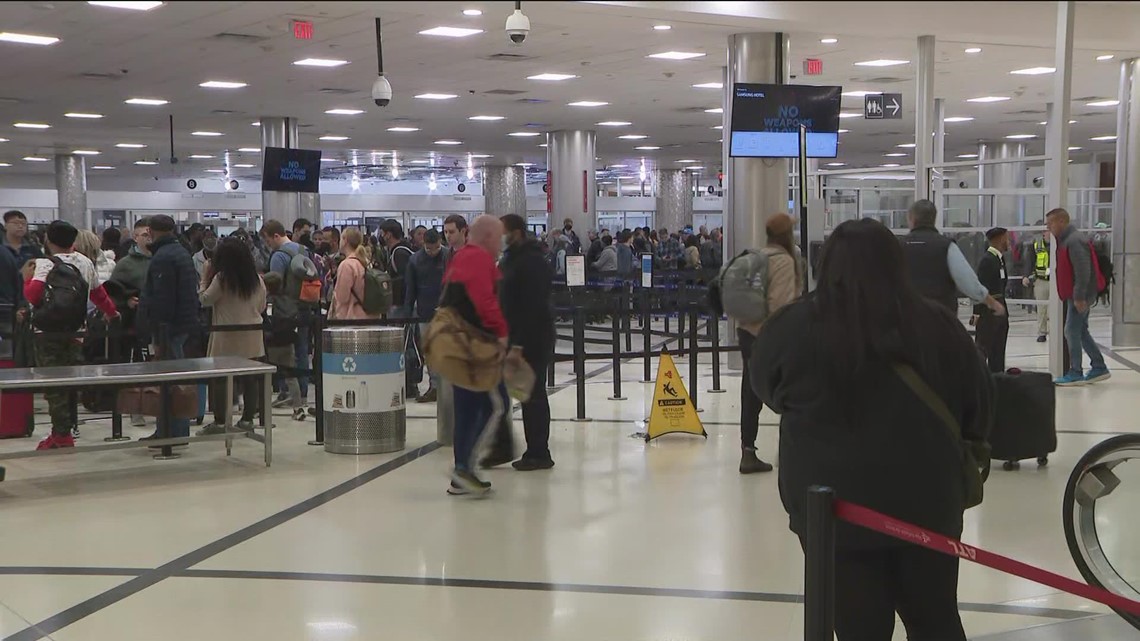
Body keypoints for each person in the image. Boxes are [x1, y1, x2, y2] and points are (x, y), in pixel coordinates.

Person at [753, 218, 992, 641]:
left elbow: (767, 390)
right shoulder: (939, 326)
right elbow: (978, 405)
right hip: (929, 505)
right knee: (935, 620)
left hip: (835, 516)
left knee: (857, 627)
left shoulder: (790, 328)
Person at [24, 221, 119, 449]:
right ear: (73, 241)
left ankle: (61, 434)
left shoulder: (44, 264)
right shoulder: (85, 262)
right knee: (70, 382)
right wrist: (112, 313)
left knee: (53, 385)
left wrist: (27, 279)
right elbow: (98, 294)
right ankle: (65, 429)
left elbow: (33, 295)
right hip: (77, 331)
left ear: (48, 240)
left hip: (47, 334)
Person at [439, 214, 510, 496]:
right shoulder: (478, 258)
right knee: (493, 403)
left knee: (469, 408)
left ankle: (462, 472)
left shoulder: (463, 257)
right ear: (489, 237)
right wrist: (502, 332)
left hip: (460, 345)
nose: (501, 244)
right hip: (473, 346)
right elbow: (485, 300)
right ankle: (464, 467)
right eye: (499, 238)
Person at [734, 214, 803, 474]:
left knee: (750, 392)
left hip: (746, 331)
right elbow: (780, 305)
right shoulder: (784, 261)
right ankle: (791, 450)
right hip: (771, 335)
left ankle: (748, 450)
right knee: (789, 389)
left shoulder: (756, 257)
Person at [498, 214, 556, 470]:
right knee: (525, 394)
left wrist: (519, 344)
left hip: (532, 339)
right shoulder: (513, 258)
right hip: (516, 336)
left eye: (504, 231)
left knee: (533, 395)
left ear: (517, 233)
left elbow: (531, 307)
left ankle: (539, 452)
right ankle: (530, 448)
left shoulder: (531, 261)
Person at [137, 214, 200, 441]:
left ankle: (171, 432)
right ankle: (173, 429)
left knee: (170, 381)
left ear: (151, 231)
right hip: (181, 324)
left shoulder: (163, 257)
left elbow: (162, 298)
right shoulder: (181, 252)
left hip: (168, 329)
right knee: (176, 379)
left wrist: (156, 330)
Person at [198, 237, 268, 434]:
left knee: (221, 377)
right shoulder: (257, 279)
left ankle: (221, 421)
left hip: (226, 333)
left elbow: (205, 299)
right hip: (253, 333)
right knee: (250, 378)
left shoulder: (221, 278)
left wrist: (204, 278)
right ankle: (247, 419)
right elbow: (261, 306)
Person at [902, 200, 1005, 319]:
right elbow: (967, 281)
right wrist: (992, 302)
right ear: (934, 219)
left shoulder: (898, 246)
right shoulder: (946, 246)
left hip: (906, 318)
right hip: (941, 317)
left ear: (911, 218)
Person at [1048, 207, 1111, 386]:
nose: (1049, 227)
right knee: (1080, 330)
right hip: (1077, 293)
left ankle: (1075, 371)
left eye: (1051, 223)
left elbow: (1083, 271)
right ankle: (1099, 366)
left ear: (1061, 221)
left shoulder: (1074, 241)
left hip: (1081, 294)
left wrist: (1079, 297)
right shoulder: (1067, 240)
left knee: (1071, 330)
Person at [262, 219, 312, 403]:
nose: (268, 245)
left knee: (284, 352)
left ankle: (287, 393)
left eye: (268, 240)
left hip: (285, 310)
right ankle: (303, 392)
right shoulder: (302, 250)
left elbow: (274, 284)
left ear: (276, 236)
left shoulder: (278, 256)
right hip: (305, 305)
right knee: (303, 350)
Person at [110, 218, 153, 427]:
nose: (149, 237)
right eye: (144, 234)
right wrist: (126, 301)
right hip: (134, 322)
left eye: (151, 233)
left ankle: (156, 405)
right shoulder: (125, 264)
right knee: (136, 365)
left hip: (157, 320)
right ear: (135, 237)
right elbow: (113, 291)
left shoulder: (160, 259)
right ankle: (136, 409)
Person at [404, 229, 448, 402]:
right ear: (423, 245)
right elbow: (410, 288)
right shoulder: (415, 260)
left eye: (436, 247)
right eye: (429, 248)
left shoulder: (448, 256)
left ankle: (448, 388)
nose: (432, 252)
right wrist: (408, 313)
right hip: (425, 311)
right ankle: (435, 386)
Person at [261, 271, 305, 421]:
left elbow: (266, 319)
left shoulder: (268, 302)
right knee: (291, 376)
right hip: (288, 342)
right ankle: (298, 408)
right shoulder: (289, 300)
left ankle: (263, 410)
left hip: (272, 343)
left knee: (266, 377)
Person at [975, 227, 1011, 373]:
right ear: (1000, 239)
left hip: (1001, 312)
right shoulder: (987, 260)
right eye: (1007, 238)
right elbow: (980, 288)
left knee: (998, 351)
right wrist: (976, 312)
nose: (1009, 242)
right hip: (989, 313)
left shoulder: (999, 259)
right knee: (983, 350)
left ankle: (998, 380)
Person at [332, 228, 380, 321]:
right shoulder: (365, 261)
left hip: (351, 317)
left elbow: (342, 297)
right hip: (369, 314)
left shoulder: (347, 265)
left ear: (345, 240)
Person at [379, 219, 415, 312]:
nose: (381, 236)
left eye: (382, 233)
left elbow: (405, 279)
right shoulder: (400, 250)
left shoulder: (399, 253)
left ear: (388, 235)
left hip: (400, 304)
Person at [1022, 231, 1051, 343]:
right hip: (1041, 280)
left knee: (1054, 310)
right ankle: (1042, 333)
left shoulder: (1059, 244)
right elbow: (1029, 261)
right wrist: (1026, 276)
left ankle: (1055, 332)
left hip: (1055, 281)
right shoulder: (1036, 245)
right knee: (1041, 309)